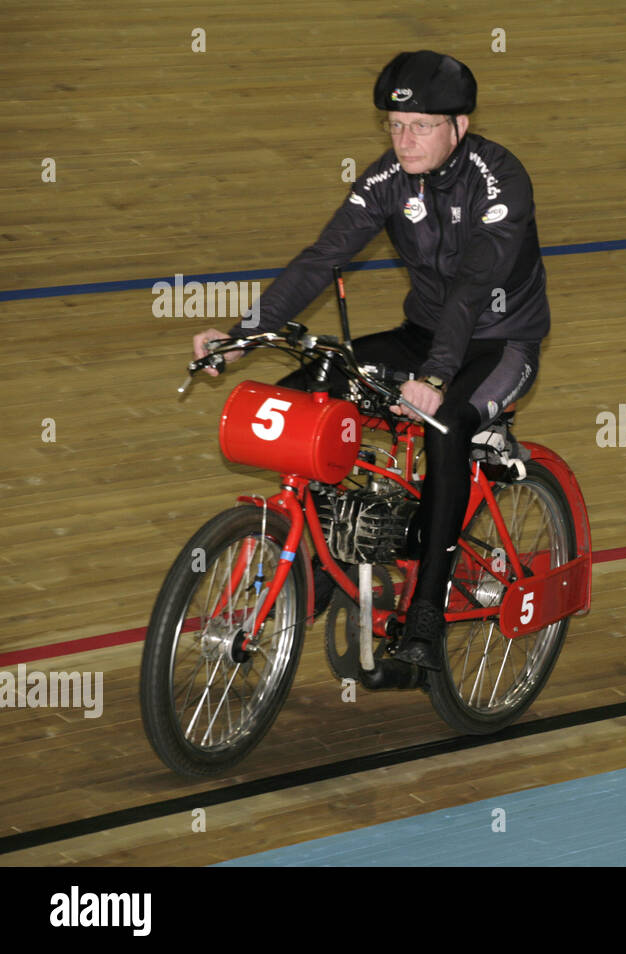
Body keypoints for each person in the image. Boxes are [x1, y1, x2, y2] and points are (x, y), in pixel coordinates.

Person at [192, 50, 550, 669]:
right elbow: (321, 256)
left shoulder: (500, 180)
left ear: (459, 127)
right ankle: (334, 556)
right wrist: (245, 334)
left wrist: (435, 378)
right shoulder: (389, 179)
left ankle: (428, 614)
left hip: (498, 341)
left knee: (447, 429)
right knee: (303, 393)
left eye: (421, 126)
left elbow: (471, 286)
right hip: (425, 332)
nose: (404, 140)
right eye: (394, 125)